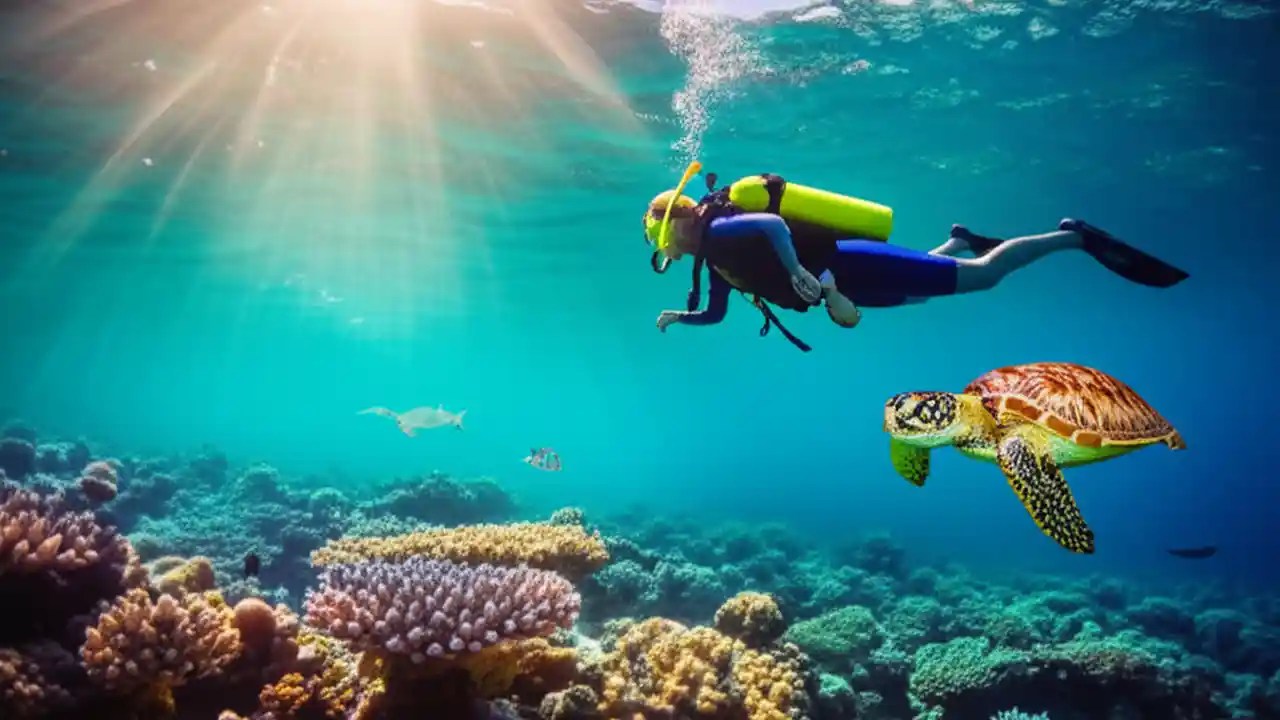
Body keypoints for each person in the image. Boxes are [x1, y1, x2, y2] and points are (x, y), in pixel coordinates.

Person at [643, 163, 1189, 351]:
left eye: (667, 232)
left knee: (985, 277)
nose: (667, 244)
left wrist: (793, 271)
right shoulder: (710, 259)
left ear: (685, 219)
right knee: (918, 294)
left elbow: (772, 222)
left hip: (848, 266)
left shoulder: (721, 234)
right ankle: (956, 240)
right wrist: (680, 318)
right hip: (843, 286)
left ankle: (1072, 236)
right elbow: (717, 313)